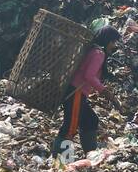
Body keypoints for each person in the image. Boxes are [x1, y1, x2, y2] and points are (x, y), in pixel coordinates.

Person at [51, 26, 121, 160]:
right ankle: (61, 161)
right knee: (70, 127)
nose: (114, 46)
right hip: (76, 91)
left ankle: (91, 156)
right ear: (107, 40)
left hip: (75, 91)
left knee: (90, 120)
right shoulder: (99, 53)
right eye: (113, 42)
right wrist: (104, 91)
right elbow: (89, 75)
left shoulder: (93, 50)